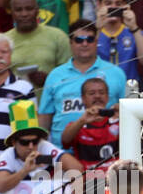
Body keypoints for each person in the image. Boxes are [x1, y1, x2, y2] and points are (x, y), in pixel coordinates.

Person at [38, 18, 126, 146]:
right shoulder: (55, 75)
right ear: (70, 42)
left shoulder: (116, 73)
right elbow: (45, 117)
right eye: (79, 40)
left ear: (96, 42)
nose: (84, 44)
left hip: (105, 154)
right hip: (62, 153)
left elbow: (128, 113)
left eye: (90, 39)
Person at [0, 33, 34, 149]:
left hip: (12, 158)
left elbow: (30, 128)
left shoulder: (25, 88)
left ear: (10, 55)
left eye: (4, 52)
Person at [4, 0, 71, 86]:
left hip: (49, 98)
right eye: (18, 10)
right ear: (12, 12)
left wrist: (49, 79)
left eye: (29, 9)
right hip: (13, 99)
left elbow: (70, 74)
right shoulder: (3, 41)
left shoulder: (58, 36)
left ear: (37, 10)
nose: (24, 14)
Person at [94, 0, 143, 81]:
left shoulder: (134, 32)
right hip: (99, 90)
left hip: (128, 90)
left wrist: (134, 27)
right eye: (108, 3)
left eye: (118, 4)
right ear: (98, 5)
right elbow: (84, 61)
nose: (113, 7)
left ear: (124, 6)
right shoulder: (91, 34)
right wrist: (97, 29)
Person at [61, 77, 118, 168]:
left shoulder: (118, 121)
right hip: (90, 179)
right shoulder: (78, 125)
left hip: (117, 178)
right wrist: (82, 121)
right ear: (83, 98)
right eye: (92, 93)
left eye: (102, 93)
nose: (97, 96)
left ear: (107, 97)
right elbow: (65, 141)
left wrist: (123, 111)